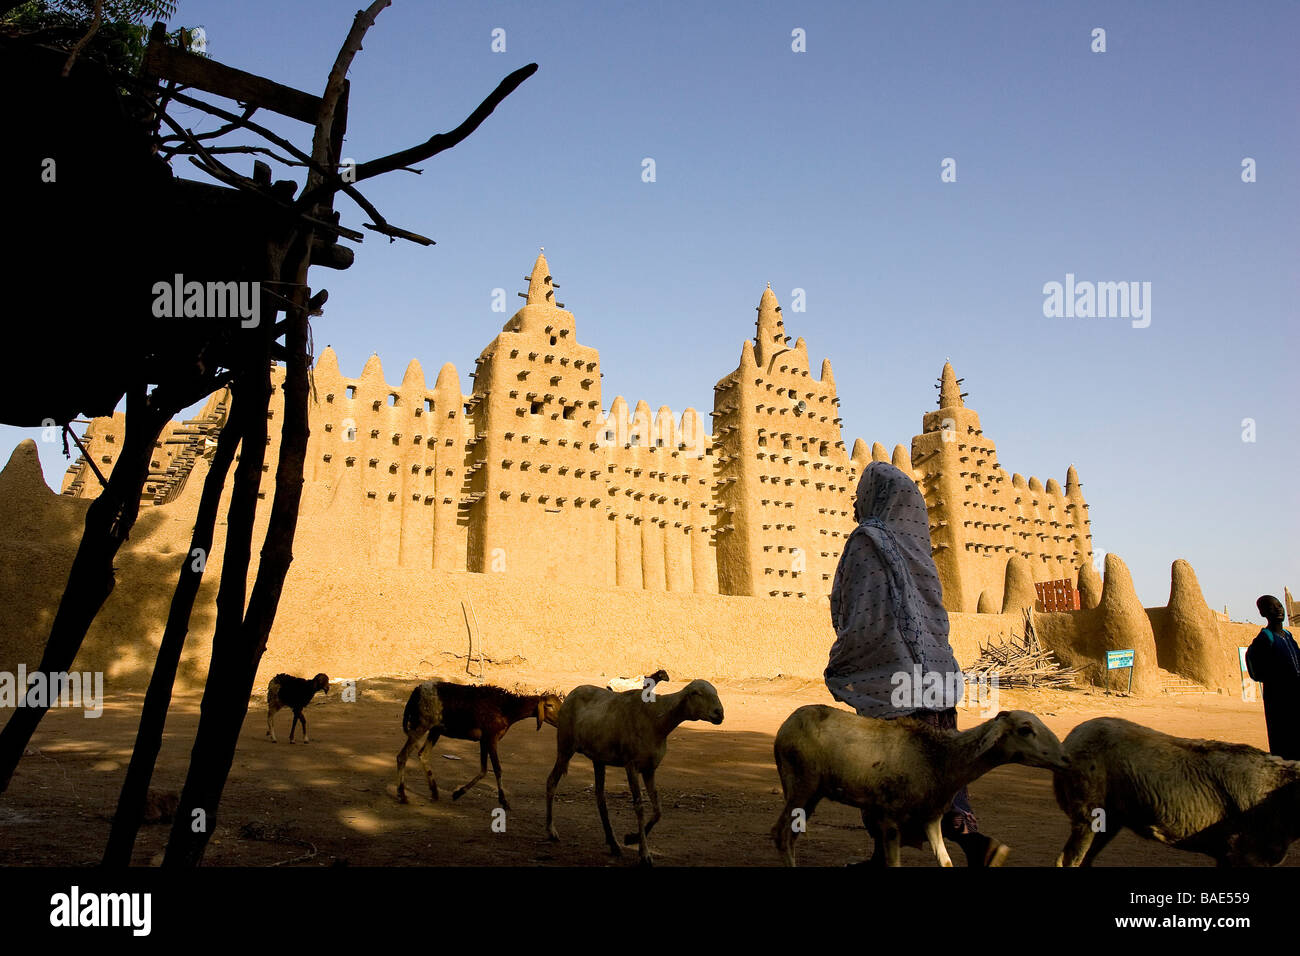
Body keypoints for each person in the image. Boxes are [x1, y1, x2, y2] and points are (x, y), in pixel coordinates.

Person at [825, 460, 1009, 866]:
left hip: (894, 679)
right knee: (941, 770)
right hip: (938, 680)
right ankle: (973, 843)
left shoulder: (867, 540)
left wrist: (847, 658)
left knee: (890, 774)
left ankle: (937, 850)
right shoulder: (917, 549)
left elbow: (864, 611)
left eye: (860, 496)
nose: (856, 505)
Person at [1244, 595, 1300, 759]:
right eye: (1272, 607)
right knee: (1284, 739)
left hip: (1296, 695)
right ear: (1263, 613)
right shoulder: (1265, 638)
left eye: (1280, 606)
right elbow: (1254, 667)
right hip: (1280, 699)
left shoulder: (1288, 636)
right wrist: (1276, 680)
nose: (1279, 610)